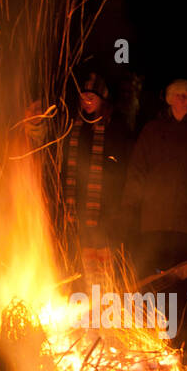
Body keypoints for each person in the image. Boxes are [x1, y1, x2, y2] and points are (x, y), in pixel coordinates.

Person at [123, 79, 187, 279]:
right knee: (156, 269)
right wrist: (131, 203)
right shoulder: (153, 130)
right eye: (181, 95)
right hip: (156, 216)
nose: (186, 100)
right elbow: (138, 168)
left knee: (185, 269)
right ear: (169, 99)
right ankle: (157, 308)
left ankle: (183, 308)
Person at [60, 71, 131, 288]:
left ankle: (106, 292)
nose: (87, 101)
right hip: (79, 200)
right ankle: (88, 292)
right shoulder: (74, 125)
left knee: (103, 246)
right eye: (83, 96)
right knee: (84, 248)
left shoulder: (115, 125)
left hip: (106, 200)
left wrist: (116, 198)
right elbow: (66, 164)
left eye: (92, 96)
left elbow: (122, 163)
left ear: (103, 99)